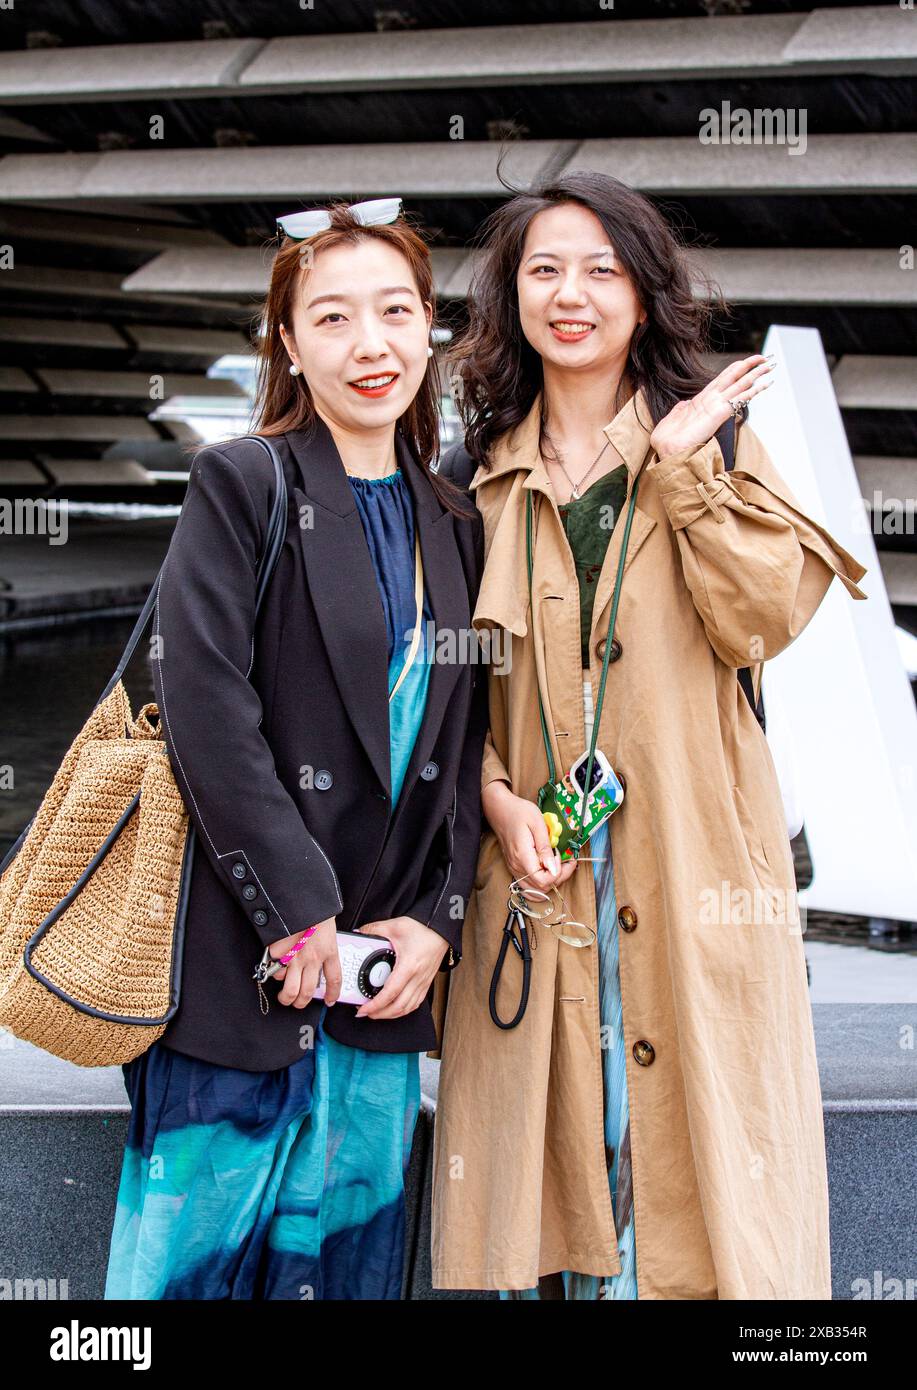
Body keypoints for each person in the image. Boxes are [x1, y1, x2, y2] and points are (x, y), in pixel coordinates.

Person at [430, 171, 868, 1299]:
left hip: (692, 873)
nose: (568, 294)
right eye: (541, 270)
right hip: (539, 882)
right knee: (552, 1193)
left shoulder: (716, 446)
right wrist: (494, 798)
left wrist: (677, 474)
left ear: (640, 290)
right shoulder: (467, 481)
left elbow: (757, 617)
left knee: (705, 1187)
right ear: (509, 296)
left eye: (598, 269)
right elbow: (442, 701)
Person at [104, 198, 488, 1300]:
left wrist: (438, 918)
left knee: (349, 1270)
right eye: (332, 318)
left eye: (394, 311)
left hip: (373, 987)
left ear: (430, 328)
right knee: (184, 1277)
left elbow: (465, 749)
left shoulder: (456, 519)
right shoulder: (243, 481)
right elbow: (204, 709)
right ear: (288, 340)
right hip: (246, 964)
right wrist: (298, 909)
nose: (369, 345)